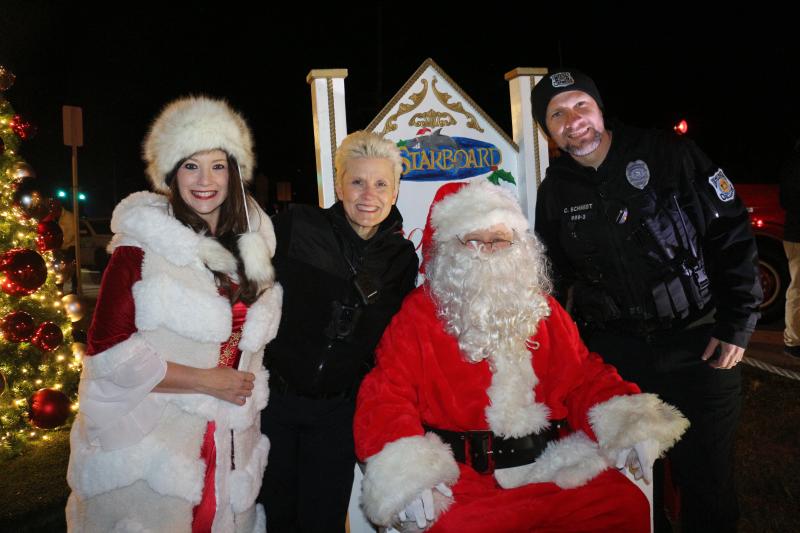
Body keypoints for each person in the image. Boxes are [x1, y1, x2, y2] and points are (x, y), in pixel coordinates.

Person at [354, 179, 689, 532]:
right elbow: (385, 395)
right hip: (465, 482)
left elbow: (583, 377)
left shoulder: (542, 309)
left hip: (551, 466)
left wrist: (626, 421)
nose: (488, 250)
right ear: (449, 248)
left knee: (622, 505)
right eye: (473, 240)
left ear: (519, 245)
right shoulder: (419, 314)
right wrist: (409, 475)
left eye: (499, 240)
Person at [532, 69, 762, 532]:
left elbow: (731, 233)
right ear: (548, 129)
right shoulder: (555, 189)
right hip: (619, 359)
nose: (572, 119)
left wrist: (737, 322)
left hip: (700, 347)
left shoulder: (667, 154)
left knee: (708, 483)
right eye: (557, 114)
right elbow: (551, 279)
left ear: (599, 108)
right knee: (633, 486)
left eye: (580, 105)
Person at [66, 96, 282, 532]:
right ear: (171, 173)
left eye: (218, 165)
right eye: (190, 165)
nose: (205, 180)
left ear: (235, 172)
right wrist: (206, 381)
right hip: (153, 438)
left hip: (231, 438)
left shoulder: (253, 245)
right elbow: (106, 355)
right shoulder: (140, 248)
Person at [258, 131, 419, 532]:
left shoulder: (401, 259)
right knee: (273, 517)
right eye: (357, 181)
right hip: (274, 403)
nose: (369, 194)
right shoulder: (297, 225)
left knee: (323, 520)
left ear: (396, 191)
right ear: (338, 185)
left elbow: (396, 340)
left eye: (381, 183)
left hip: (338, 413)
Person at [780, 141, 800, 358]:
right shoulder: (794, 165)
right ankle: (793, 342)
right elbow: (788, 199)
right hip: (798, 235)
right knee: (798, 289)